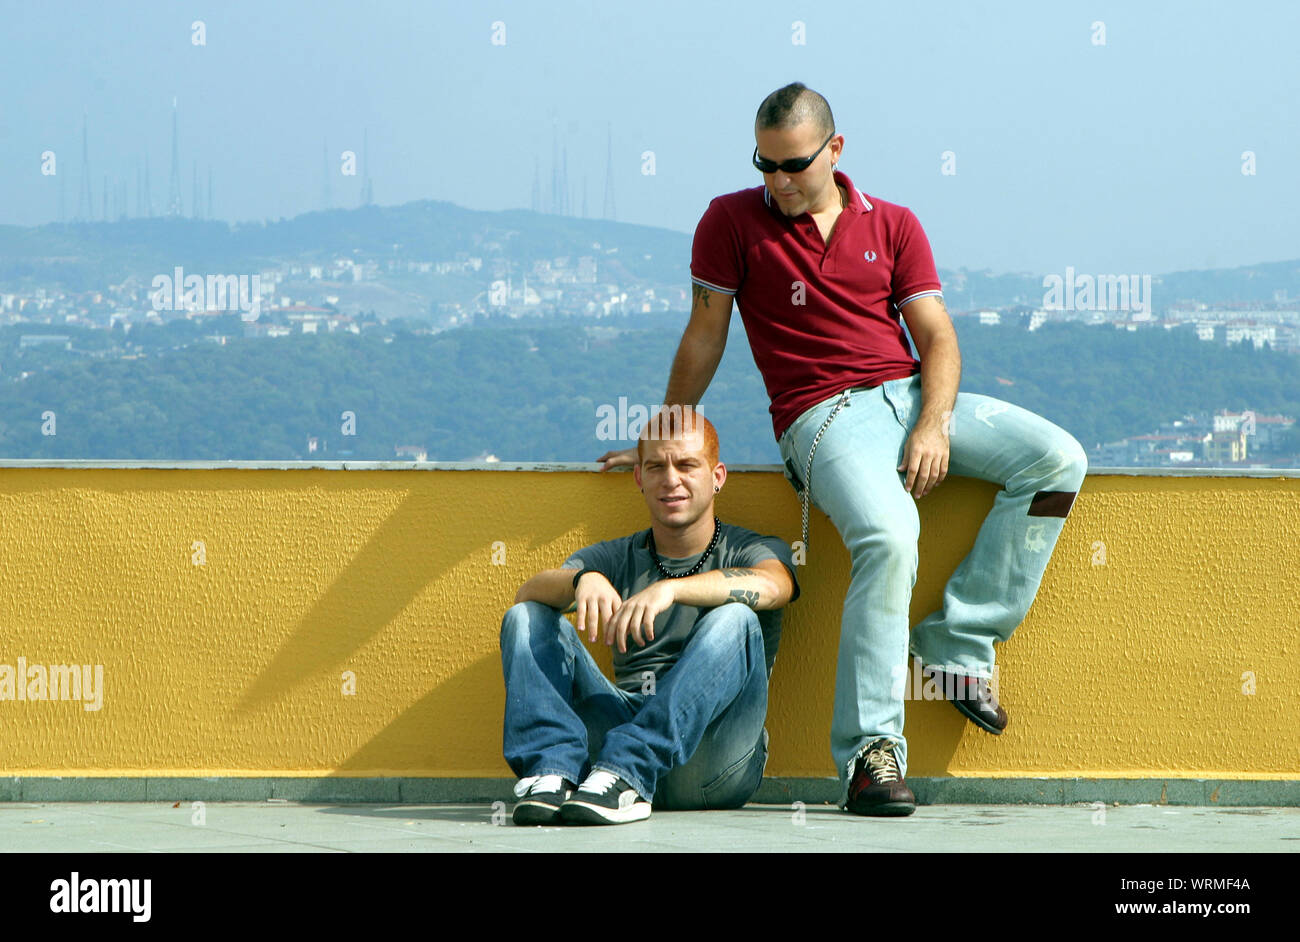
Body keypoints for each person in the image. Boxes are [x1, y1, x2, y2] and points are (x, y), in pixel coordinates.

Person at [598, 82, 1088, 818]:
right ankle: (869, 755)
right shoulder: (730, 221)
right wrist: (666, 429)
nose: (779, 180)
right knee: (891, 535)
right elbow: (706, 335)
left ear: (835, 149)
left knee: (1058, 461)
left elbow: (938, 338)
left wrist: (932, 423)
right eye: (765, 164)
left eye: (794, 164)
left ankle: (959, 640)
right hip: (822, 417)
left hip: (913, 397)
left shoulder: (891, 223)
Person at [501, 408, 799, 825]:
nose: (671, 479)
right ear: (639, 478)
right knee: (526, 616)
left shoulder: (749, 548)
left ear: (718, 477)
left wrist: (671, 589)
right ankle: (553, 773)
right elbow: (526, 595)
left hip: (712, 763)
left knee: (736, 618)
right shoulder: (617, 556)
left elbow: (774, 587)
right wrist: (582, 581)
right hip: (609, 756)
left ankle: (629, 771)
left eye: (687, 465)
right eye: (656, 466)